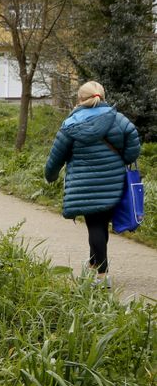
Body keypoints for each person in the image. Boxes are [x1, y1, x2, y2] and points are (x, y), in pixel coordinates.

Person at [44, 80, 141, 286]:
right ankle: (93, 265)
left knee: (95, 225)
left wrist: (50, 175)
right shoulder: (119, 120)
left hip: (84, 185)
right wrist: (121, 160)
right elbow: (133, 146)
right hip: (113, 182)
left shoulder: (71, 124)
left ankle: (102, 275)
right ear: (102, 97)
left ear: (80, 98)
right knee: (100, 224)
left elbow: (57, 155)